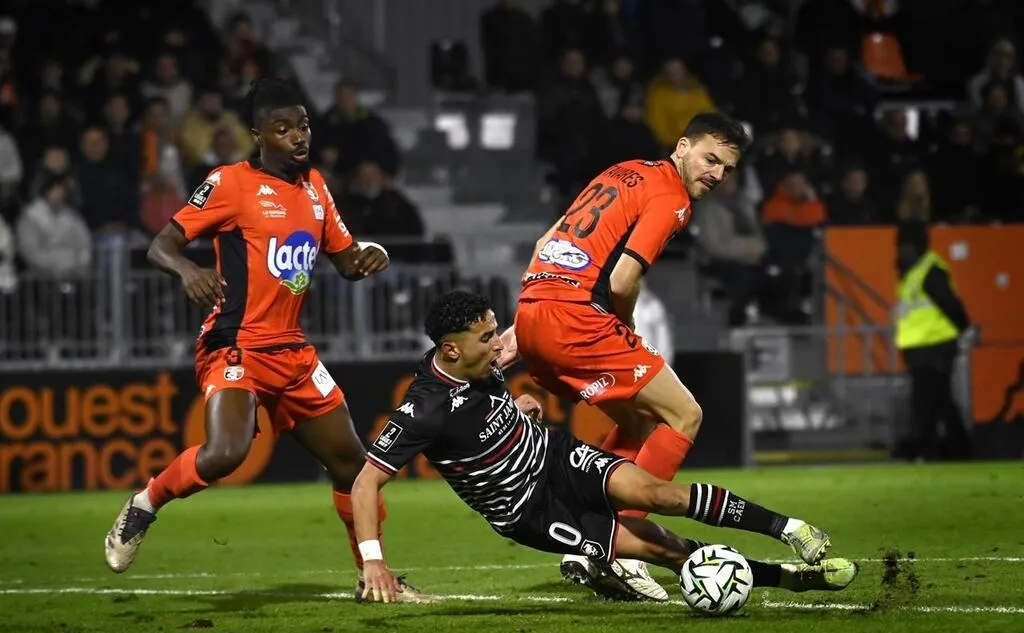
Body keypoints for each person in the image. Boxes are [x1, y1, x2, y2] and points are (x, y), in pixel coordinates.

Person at [103, 78, 431, 603]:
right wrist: (186, 270)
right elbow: (161, 245)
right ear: (258, 135)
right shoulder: (230, 183)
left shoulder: (317, 187)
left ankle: (376, 576)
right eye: (282, 129)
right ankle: (145, 502)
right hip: (236, 345)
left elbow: (345, 260)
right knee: (227, 453)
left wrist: (371, 255)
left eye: (302, 125)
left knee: (354, 465)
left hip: (293, 352)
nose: (298, 137)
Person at [496, 112, 826, 599]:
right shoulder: (671, 197)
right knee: (684, 414)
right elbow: (622, 281)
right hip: (576, 321)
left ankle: (589, 538)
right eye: (711, 159)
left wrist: (526, 323)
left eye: (728, 169)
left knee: (638, 421)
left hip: (534, 312)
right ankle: (622, 543)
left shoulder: (621, 171)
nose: (716, 174)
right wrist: (622, 329)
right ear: (682, 146)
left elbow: (547, 242)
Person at [352, 291, 858, 603]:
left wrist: (518, 408)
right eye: (487, 338)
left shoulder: (480, 363)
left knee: (658, 494)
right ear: (451, 349)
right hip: (528, 508)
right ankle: (793, 581)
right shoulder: (424, 409)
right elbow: (365, 481)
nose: (498, 345)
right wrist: (373, 560)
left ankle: (791, 529)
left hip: (553, 455)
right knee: (662, 548)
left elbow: (492, 405)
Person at [895, 223, 974, 461]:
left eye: (906, 244)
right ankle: (955, 450)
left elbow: (949, 303)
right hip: (923, 347)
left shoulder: (928, 270)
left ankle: (924, 448)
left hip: (935, 344)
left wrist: (964, 328)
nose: (902, 250)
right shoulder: (915, 271)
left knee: (927, 401)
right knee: (939, 400)